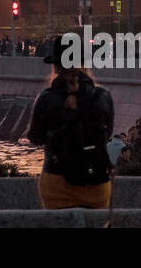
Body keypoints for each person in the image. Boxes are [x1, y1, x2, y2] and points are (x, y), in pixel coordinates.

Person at [28, 33, 115, 209]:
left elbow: (35, 137)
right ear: (84, 63)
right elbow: (107, 135)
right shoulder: (103, 97)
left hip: (57, 183)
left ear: (56, 66)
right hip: (97, 183)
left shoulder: (46, 98)